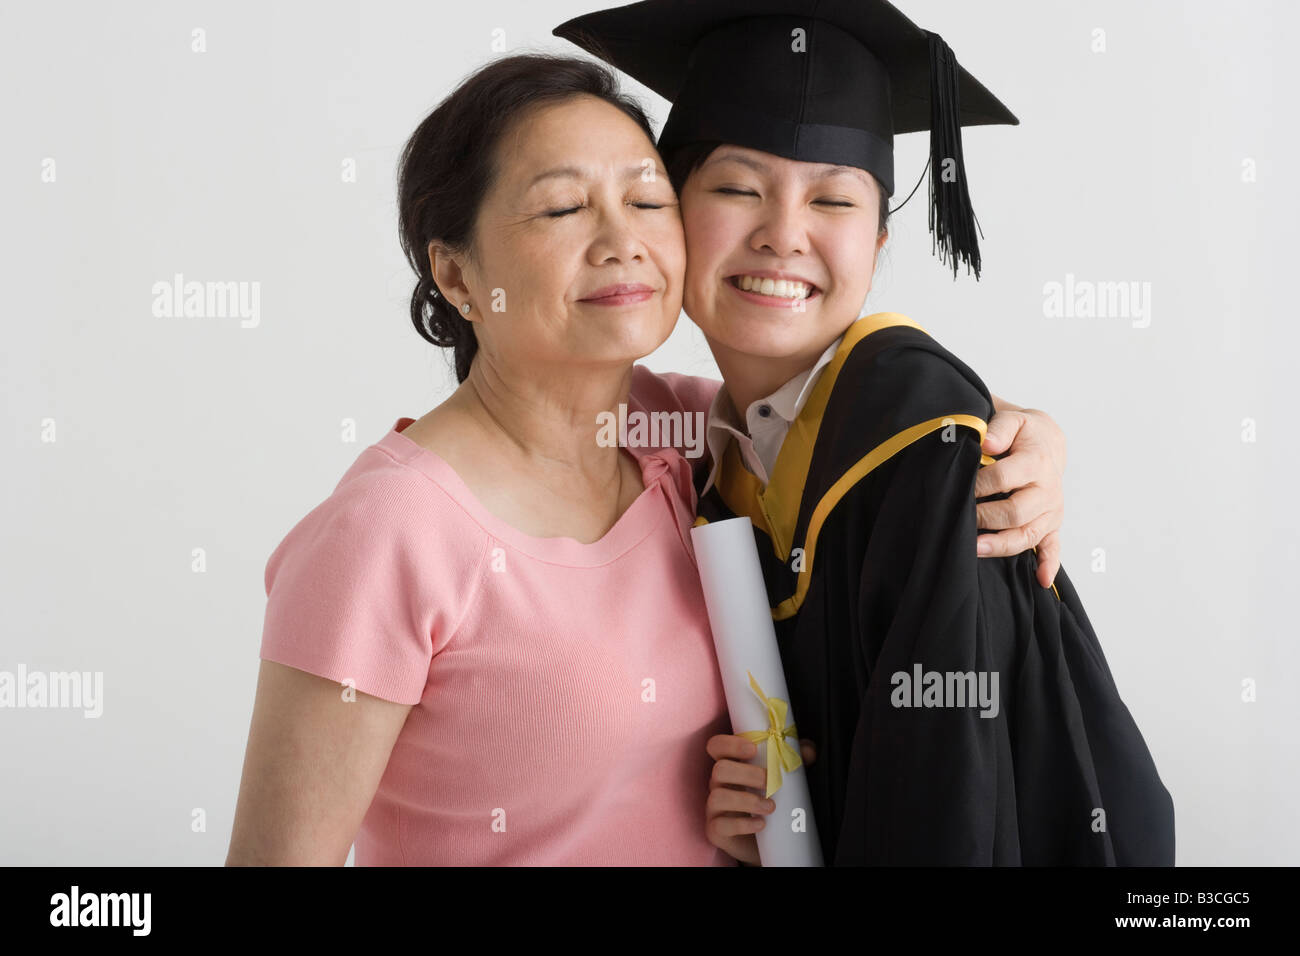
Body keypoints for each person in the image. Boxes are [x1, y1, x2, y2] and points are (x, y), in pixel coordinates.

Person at [227, 53, 1070, 866]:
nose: (621, 242)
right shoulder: (387, 534)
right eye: (563, 211)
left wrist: (1023, 443)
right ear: (454, 274)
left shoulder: (696, 439)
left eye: (646, 200)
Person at [556, 0, 1176, 865]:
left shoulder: (926, 446)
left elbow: (950, 800)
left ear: (880, 242)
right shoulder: (706, 452)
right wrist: (768, 822)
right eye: (737, 188)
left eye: (834, 200)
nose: (782, 235)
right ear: (669, 213)